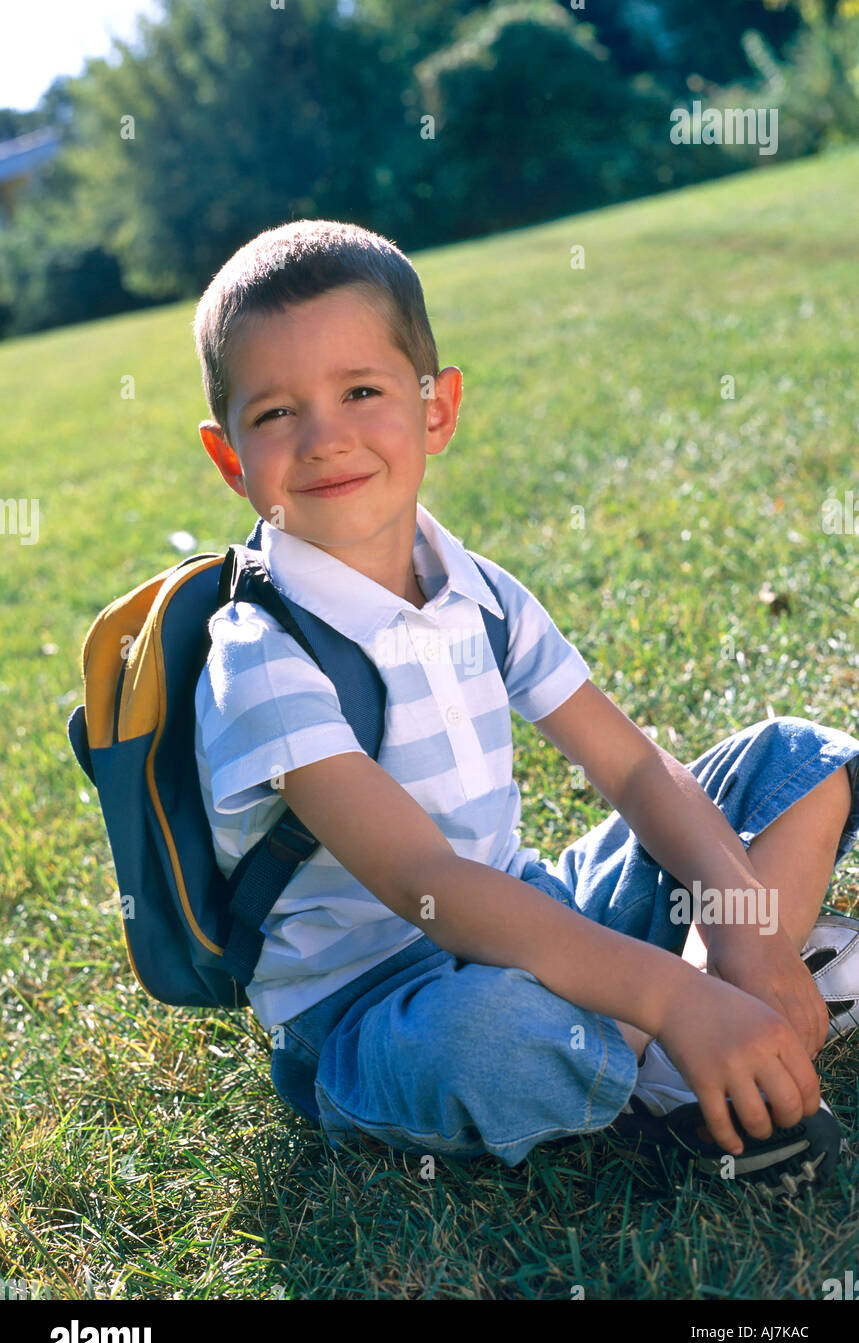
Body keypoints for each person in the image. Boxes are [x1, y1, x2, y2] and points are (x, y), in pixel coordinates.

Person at [192, 218, 859, 1193]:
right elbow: (429, 882)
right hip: (382, 1006)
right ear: (229, 457)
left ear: (437, 409)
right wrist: (674, 991)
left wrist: (745, 922)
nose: (325, 435)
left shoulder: (478, 590)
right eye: (277, 412)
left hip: (538, 904)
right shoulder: (260, 656)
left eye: (362, 392)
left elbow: (632, 768)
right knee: (500, 1041)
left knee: (799, 760)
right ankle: (691, 1040)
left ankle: (731, 995)